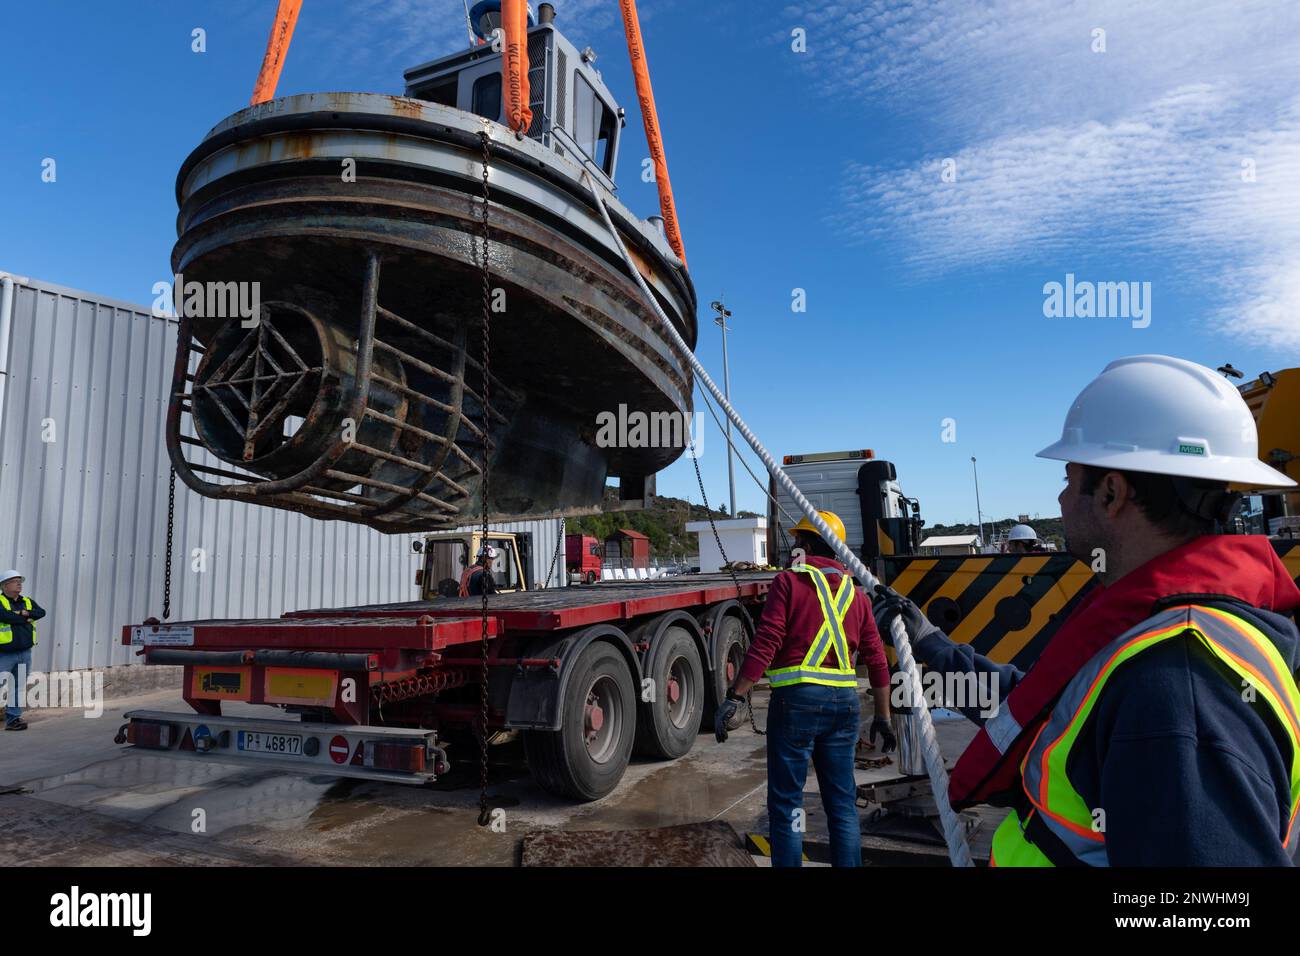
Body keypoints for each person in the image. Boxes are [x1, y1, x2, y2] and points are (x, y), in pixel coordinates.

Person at [875, 355, 1300, 866]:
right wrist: (931, 645)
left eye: (1069, 476)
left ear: (1112, 492)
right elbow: (1043, 707)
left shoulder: (1177, 686)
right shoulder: (1163, 632)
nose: (1059, 497)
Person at [715, 510, 896, 867]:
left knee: (787, 806)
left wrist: (736, 695)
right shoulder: (858, 594)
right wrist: (884, 718)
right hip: (844, 708)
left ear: (807, 544)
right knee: (842, 806)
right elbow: (877, 659)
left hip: (797, 705)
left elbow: (767, 641)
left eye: (799, 539)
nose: (794, 544)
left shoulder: (789, 582)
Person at [0, 570, 45, 731]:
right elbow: (5, 617)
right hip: (4, 654)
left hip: (25, 652)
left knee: (17, 687)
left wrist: (23, 613)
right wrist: (25, 617)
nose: (19, 583)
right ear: (5, 585)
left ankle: (13, 720)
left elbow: (41, 613)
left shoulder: (27, 601)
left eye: (20, 581)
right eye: (15, 581)